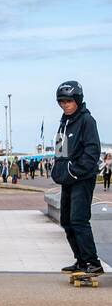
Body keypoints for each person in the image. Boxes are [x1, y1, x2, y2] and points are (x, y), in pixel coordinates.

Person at [52, 81, 103, 275]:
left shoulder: (87, 121)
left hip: (82, 179)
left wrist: (74, 169)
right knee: (66, 220)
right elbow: (59, 150)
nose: (65, 105)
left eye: (69, 101)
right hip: (68, 179)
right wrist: (58, 168)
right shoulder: (63, 122)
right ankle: (81, 260)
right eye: (62, 101)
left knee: (79, 219)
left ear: (78, 100)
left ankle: (92, 262)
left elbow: (92, 151)